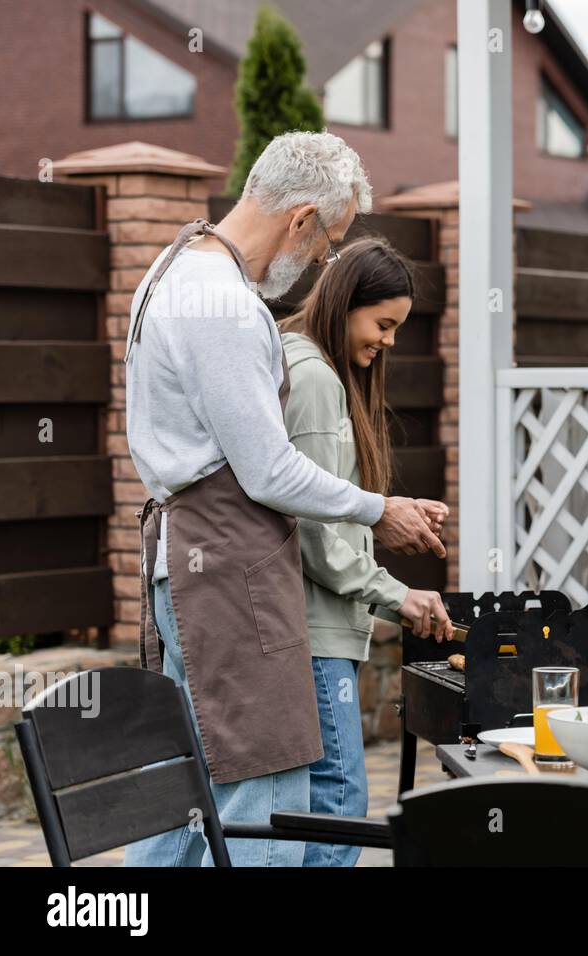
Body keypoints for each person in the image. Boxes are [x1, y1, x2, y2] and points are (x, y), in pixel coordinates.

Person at [123, 132, 446, 867]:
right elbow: (268, 472)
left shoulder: (169, 269)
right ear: (301, 218)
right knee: (265, 796)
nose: (324, 261)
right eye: (329, 242)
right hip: (233, 574)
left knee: (184, 791)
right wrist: (380, 509)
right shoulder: (227, 305)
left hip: (187, 564)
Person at [278, 237, 454, 866]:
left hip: (310, 626)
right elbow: (308, 523)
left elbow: (323, 500)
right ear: (345, 303)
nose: (390, 340)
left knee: (314, 802)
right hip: (316, 631)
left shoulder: (304, 363)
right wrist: (394, 594)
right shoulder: (315, 379)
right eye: (382, 324)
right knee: (340, 799)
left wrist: (383, 514)